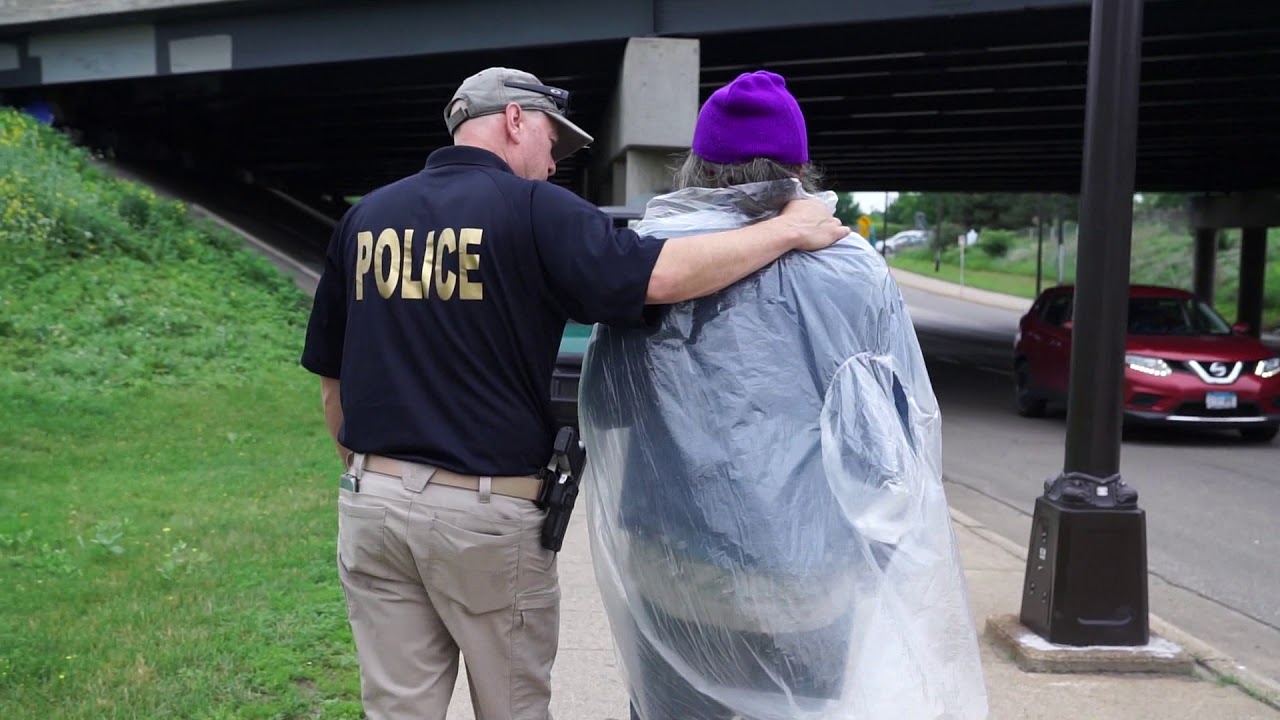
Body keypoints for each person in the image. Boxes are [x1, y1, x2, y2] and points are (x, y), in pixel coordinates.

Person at [299, 65, 848, 720]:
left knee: (395, 710)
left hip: (371, 504)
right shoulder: (536, 212)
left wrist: (375, 480)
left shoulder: (366, 218)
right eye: (552, 144)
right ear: (513, 120)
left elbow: (331, 377)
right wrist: (789, 229)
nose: (554, 165)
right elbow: (662, 278)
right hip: (482, 515)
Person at [578, 70, 988, 720]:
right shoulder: (854, 272)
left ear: (697, 167)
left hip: (675, 575)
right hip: (811, 582)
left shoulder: (653, 263)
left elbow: (607, 408)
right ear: (798, 171)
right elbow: (895, 436)